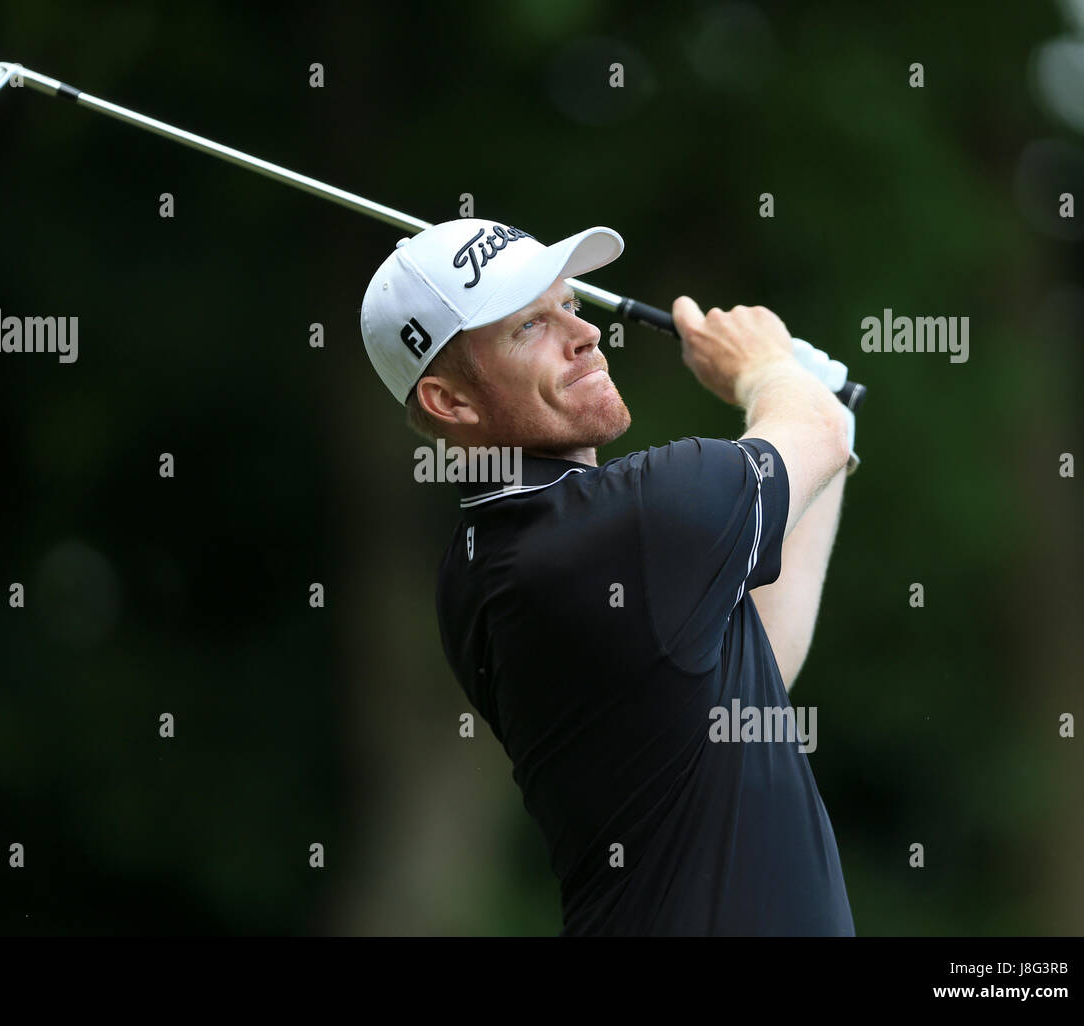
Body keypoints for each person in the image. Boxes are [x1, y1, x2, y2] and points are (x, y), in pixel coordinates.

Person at [359, 219, 856, 935]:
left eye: (570, 304)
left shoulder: (480, 563)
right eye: (529, 325)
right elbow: (814, 437)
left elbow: (752, 676)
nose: (582, 334)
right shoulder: (630, 525)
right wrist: (766, 369)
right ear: (451, 403)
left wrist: (819, 402)